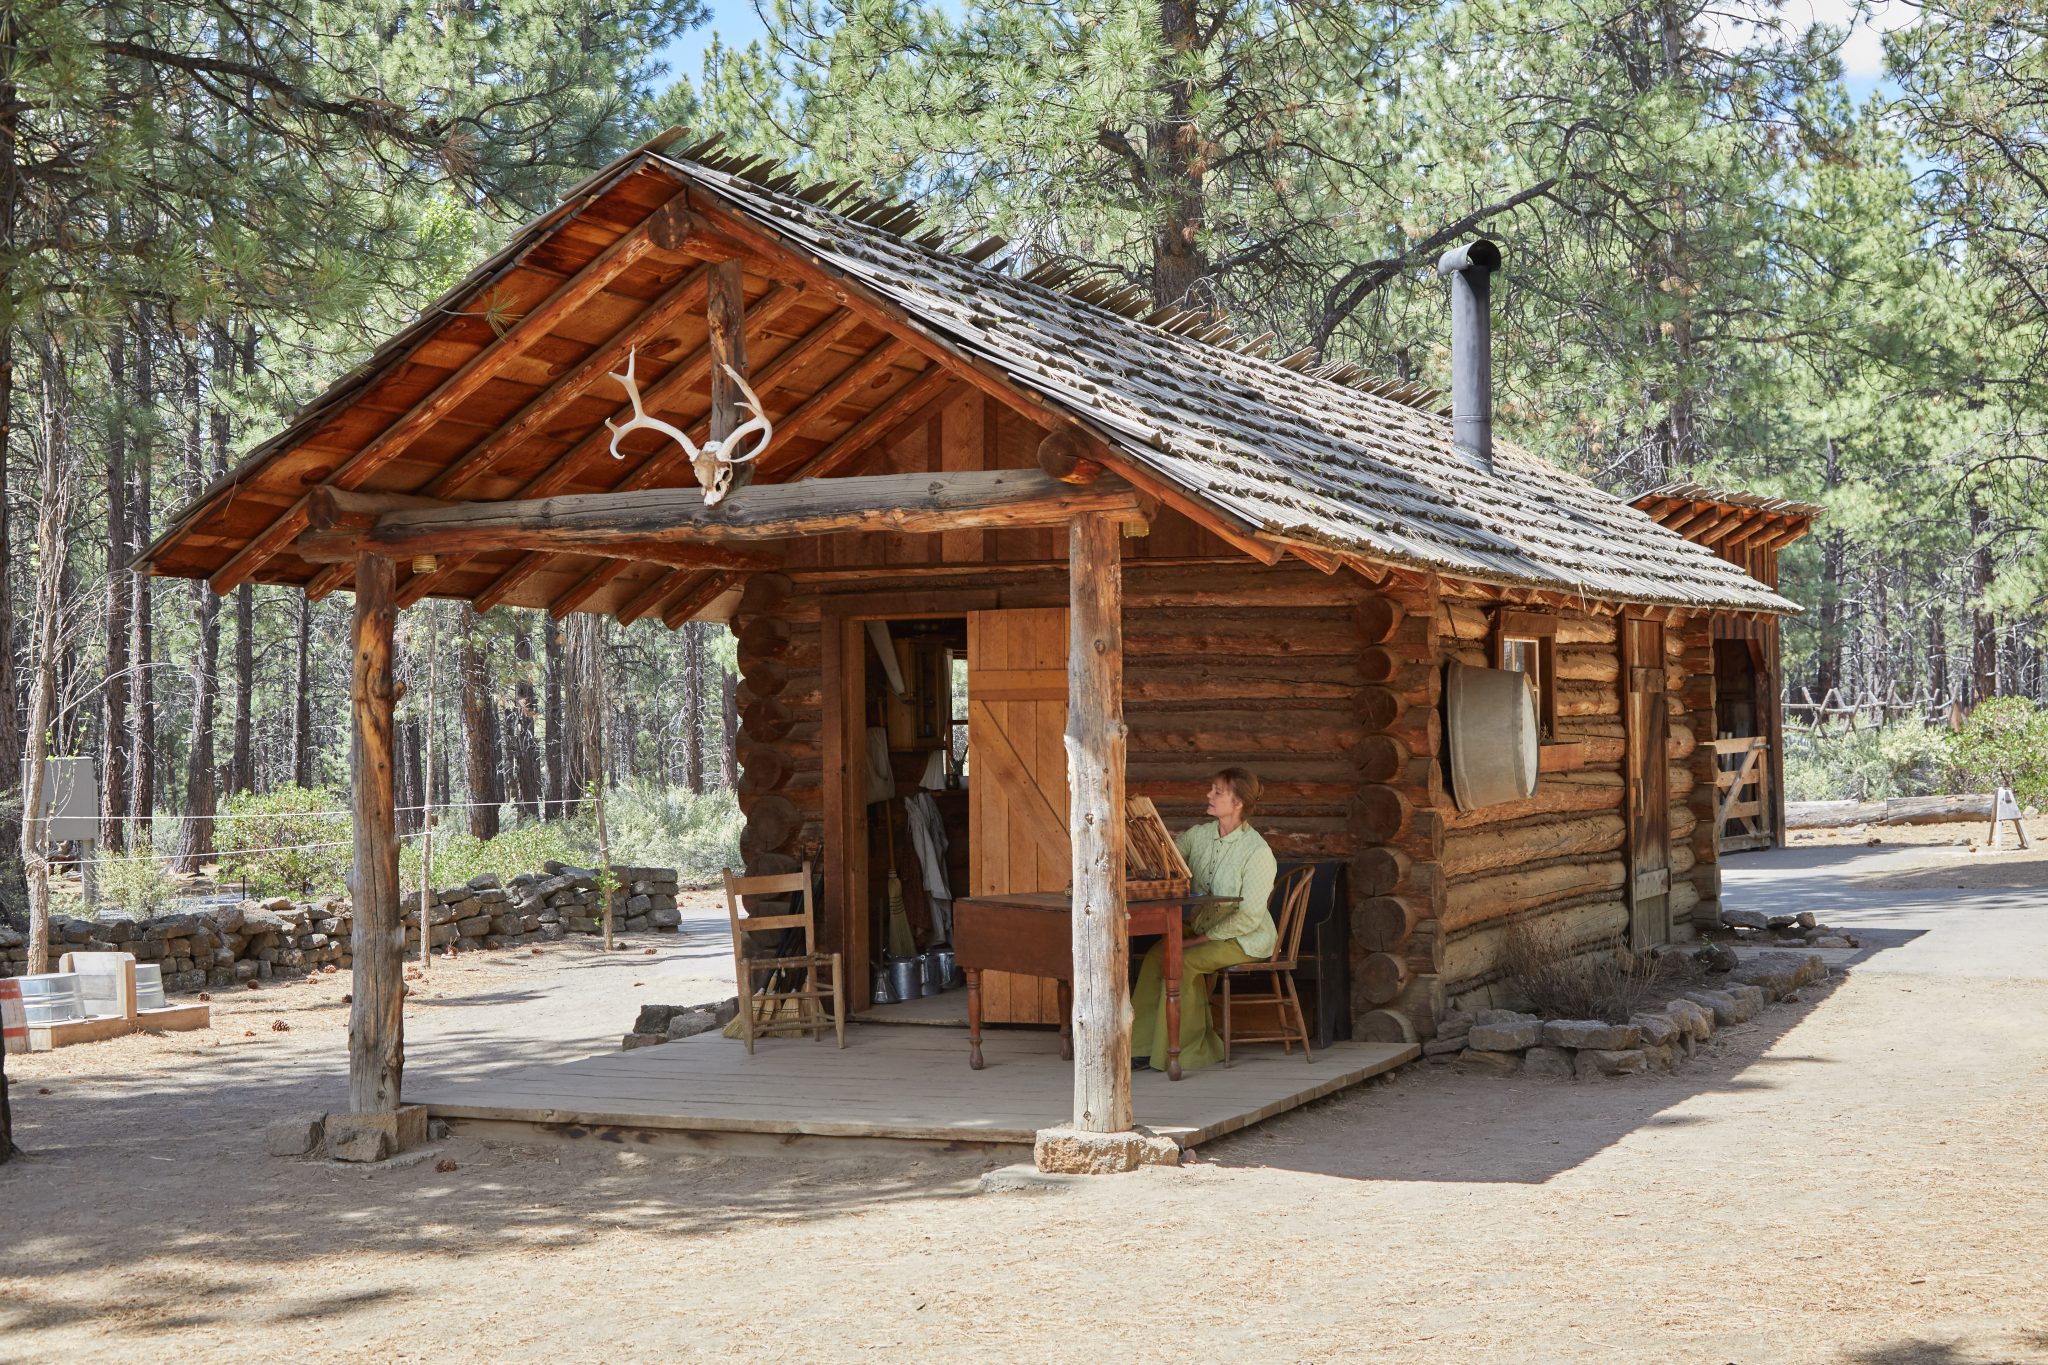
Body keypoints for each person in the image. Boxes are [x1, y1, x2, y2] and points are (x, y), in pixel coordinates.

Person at [1129, 767, 1279, 1073]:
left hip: (1245, 938)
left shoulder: (1257, 852)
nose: (1209, 795)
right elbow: (1167, 861)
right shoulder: (1200, 835)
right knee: (1156, 956)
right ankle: (1140, 1048)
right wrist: (1141, 840)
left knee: (1183, 961)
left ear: (1238, 803)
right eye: (1211, 789)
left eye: (1218, 792)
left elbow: (1249, 916)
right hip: (1205, 926)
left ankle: (1182, 1051)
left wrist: (1195, 941)